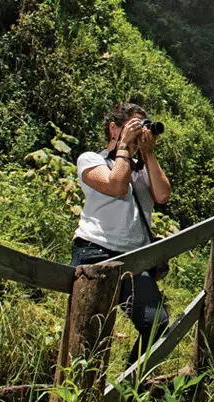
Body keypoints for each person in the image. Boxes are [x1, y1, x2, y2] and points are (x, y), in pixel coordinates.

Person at [71, 101, 172, 364]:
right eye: (132, 127)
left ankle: (127, 392)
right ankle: (81, 399)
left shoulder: (142, 169)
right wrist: (124, 147)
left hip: (136, 259)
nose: (138, 135)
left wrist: (148, 154)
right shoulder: (91, 160)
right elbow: (116, 185)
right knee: (90, 333)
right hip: (96, 252)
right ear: (113, 129)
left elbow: (162, 195)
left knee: (157, 326)